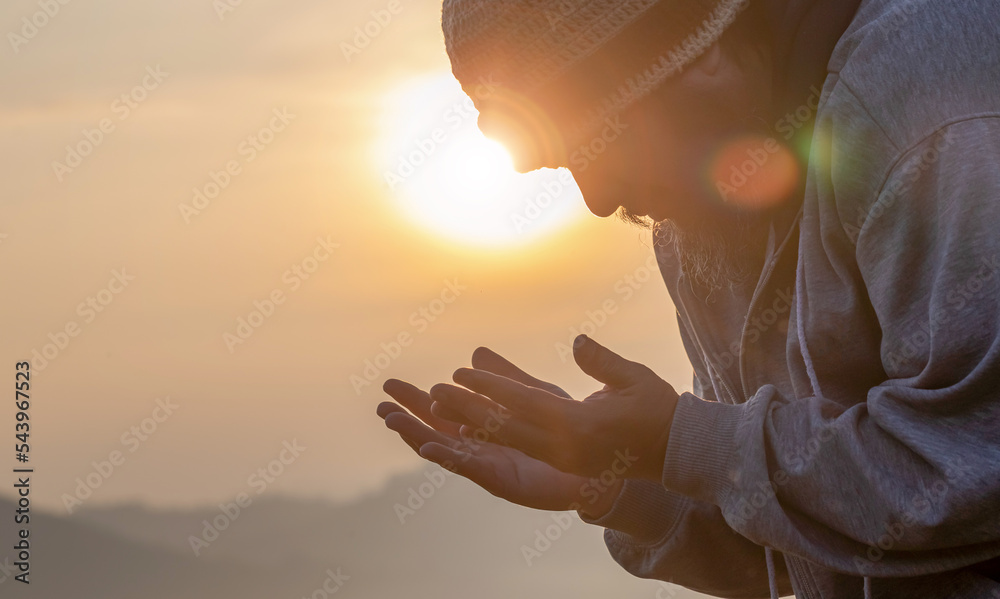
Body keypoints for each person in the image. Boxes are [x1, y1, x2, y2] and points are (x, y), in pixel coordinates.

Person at [376, 0, 1000, 597]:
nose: (596, 198)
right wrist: (614, 477)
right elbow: (814, 536)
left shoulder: (932, 111)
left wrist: (685, 442)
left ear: (703, 55)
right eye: (568, 161)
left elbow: (978, 471)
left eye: (605, 137)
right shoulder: (701, 220)